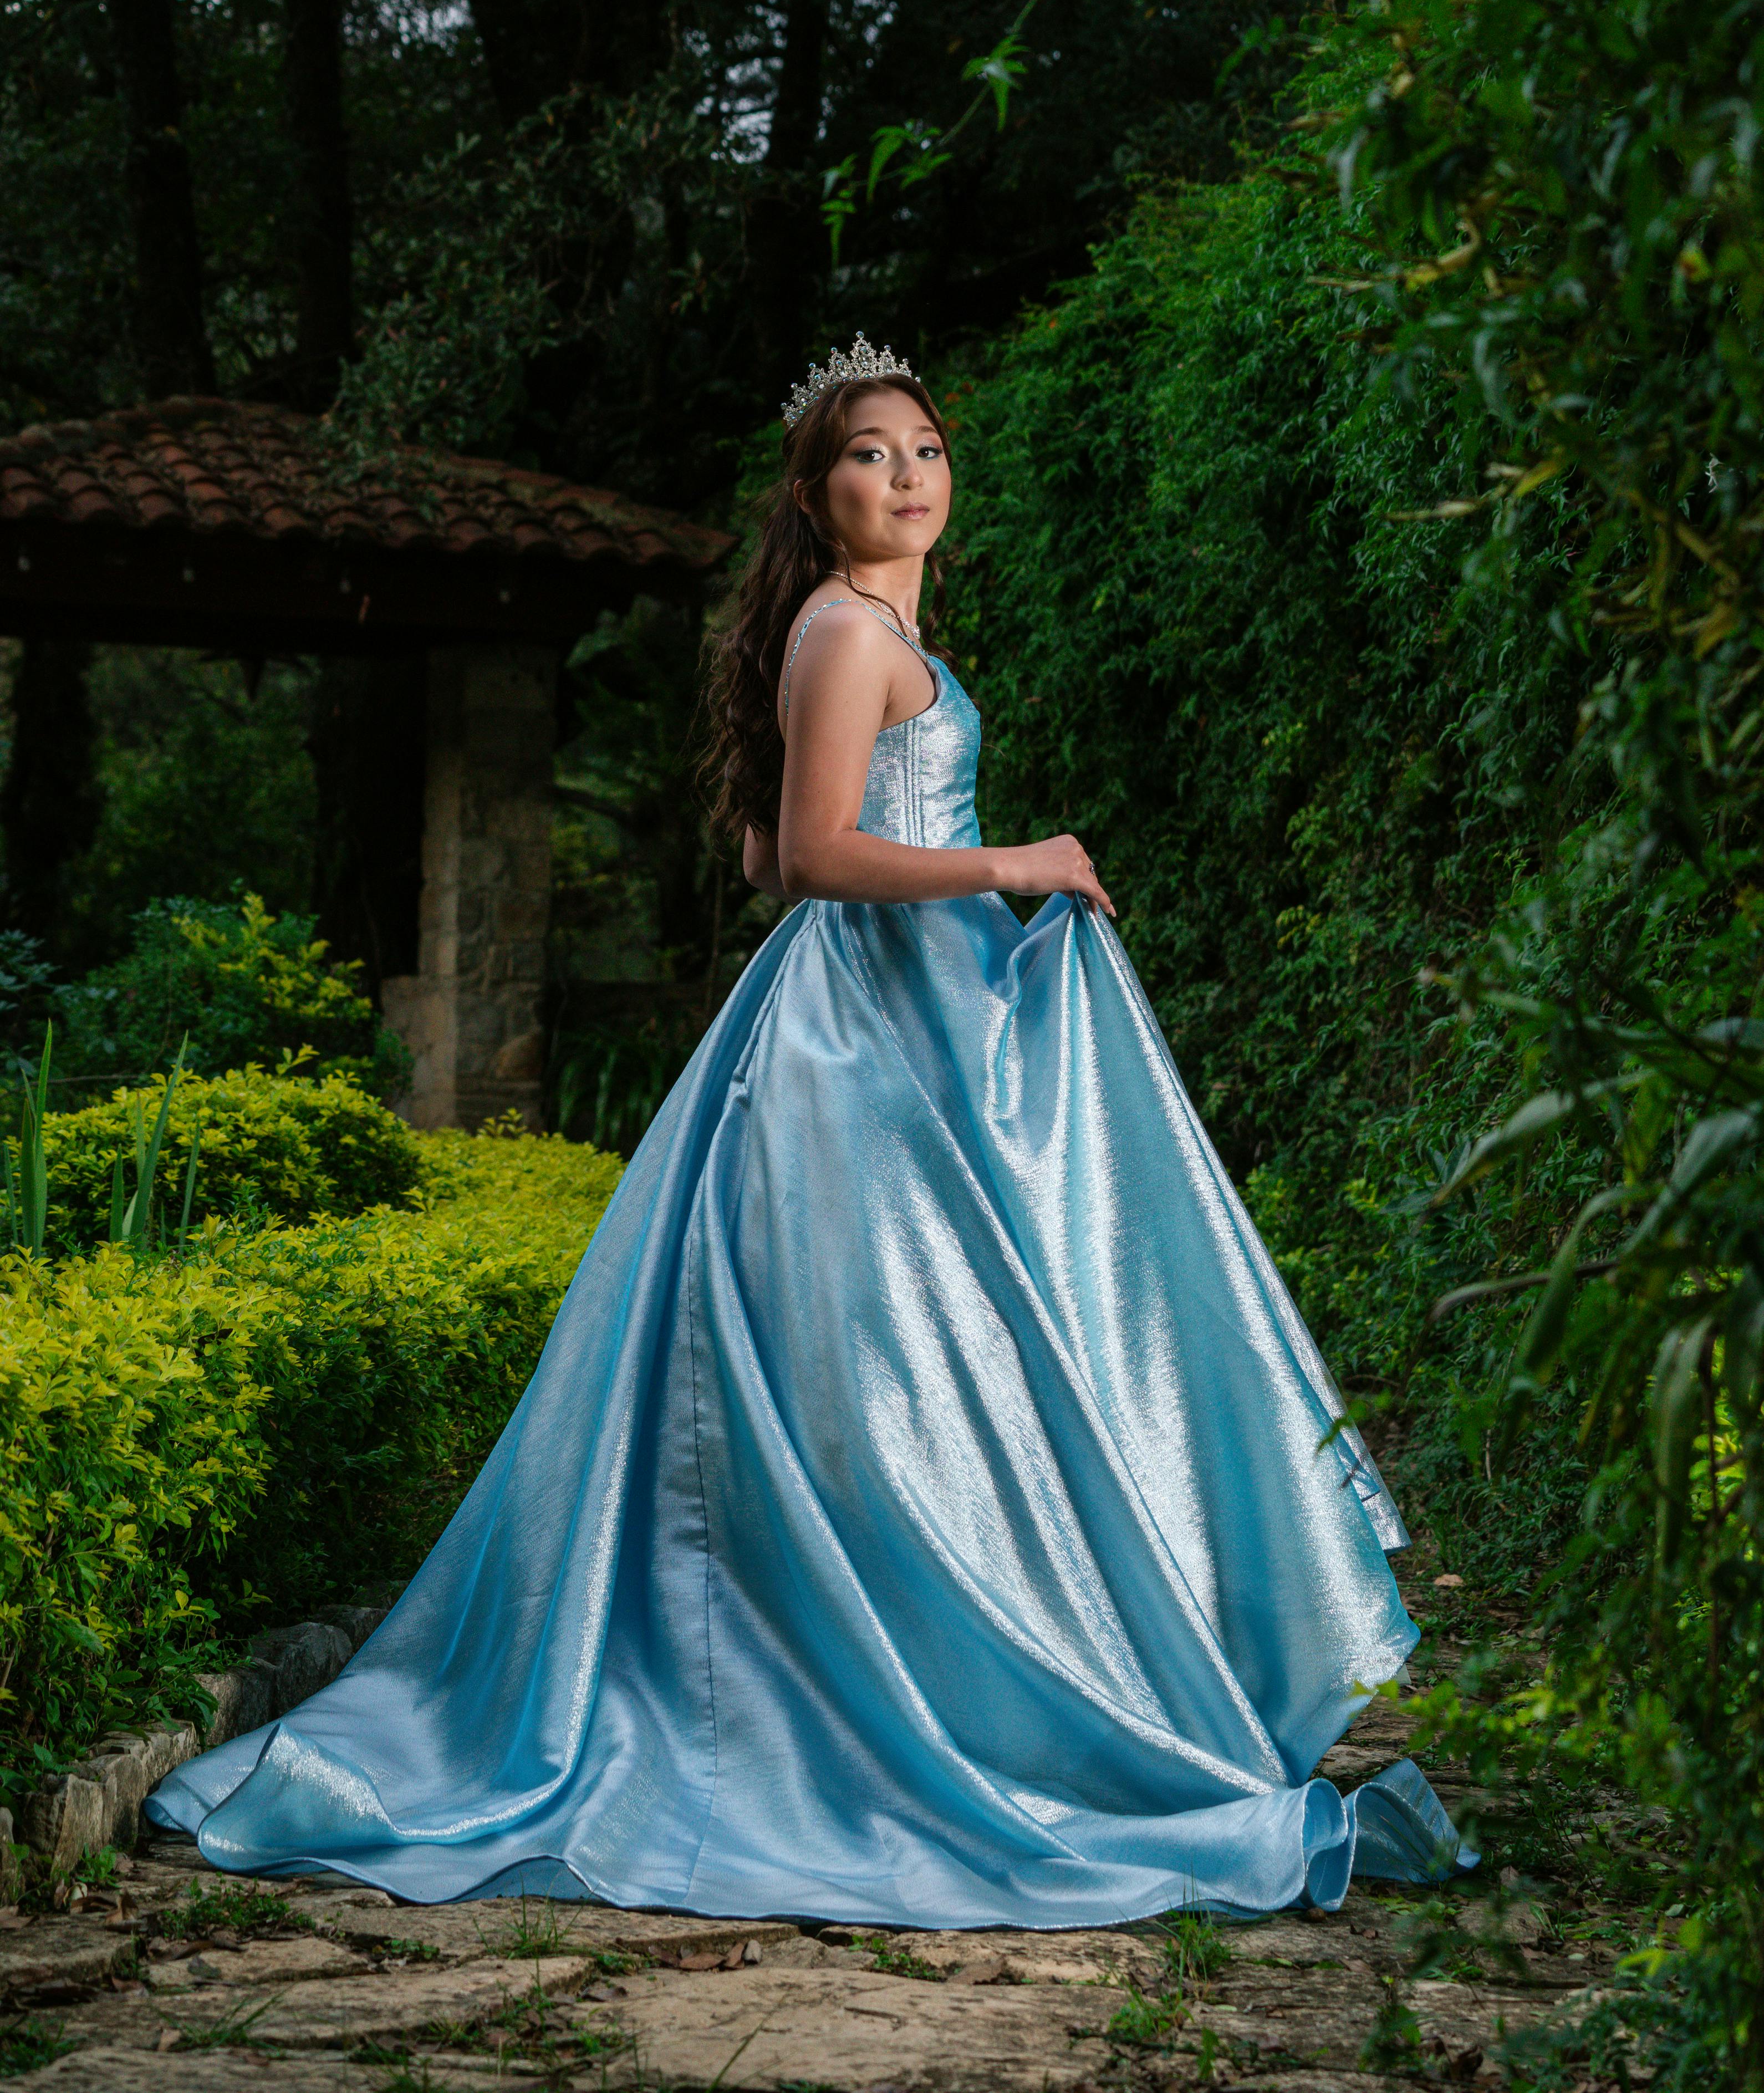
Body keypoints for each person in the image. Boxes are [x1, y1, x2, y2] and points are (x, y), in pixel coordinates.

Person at [147, 338, 1472, 1923]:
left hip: (897, 1028)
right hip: (858, 1057)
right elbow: (829, 855)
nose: (907, 474)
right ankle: (880, 1723)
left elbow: (774, 843)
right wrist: (1010, 863)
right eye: (870, 452)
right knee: (900, 1385)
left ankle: (934, 1688)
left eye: (925, 448)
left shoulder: (859, 625)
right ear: (815, 487)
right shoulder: (846, 629)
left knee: (942, 1386)